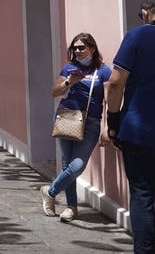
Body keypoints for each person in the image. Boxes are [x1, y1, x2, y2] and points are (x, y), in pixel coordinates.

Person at [106, 0, 155, 254]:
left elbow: (115, 83)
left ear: (145, 12)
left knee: (142, 196)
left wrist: (113, 121)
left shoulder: (137, 36)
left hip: (138, 134)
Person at [41, 32, 111, 223]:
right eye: (75, 48)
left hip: (91, 122)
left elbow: (108, 101)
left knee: (77, 166)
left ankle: (50, 191)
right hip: (67, 117)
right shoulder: (69, 68)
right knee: (67, 164)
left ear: (92, 48)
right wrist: (68, 82)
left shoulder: (103, 71)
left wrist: (106, 127)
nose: (78, 51)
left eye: (82, 47)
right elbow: (54, 92)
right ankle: (71, 208)